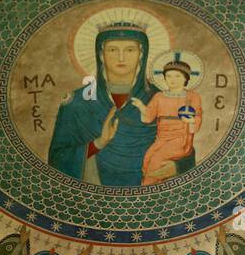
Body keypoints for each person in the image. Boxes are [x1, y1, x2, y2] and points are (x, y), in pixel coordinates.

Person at [48, 25, 195, 187]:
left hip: (151, 197)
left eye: (130, 50)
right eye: (112, 50)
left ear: (141, 54)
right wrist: (98, 143)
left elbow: (184, 144)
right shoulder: (76, 102)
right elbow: (57, 159)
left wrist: (178, 167)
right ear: (101, 54)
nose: (121, 57)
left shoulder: (163, 99)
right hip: (93, 198)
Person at [133, 58, 202, 186]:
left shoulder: (192, 97)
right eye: (169, 76)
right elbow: (149, 116)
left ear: (185, 78)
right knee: (147, 159)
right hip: (162, 139)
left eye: (177, 76)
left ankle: (146, 188)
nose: (172, 79)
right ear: (164, 78)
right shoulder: (159, 96)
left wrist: (191, 120)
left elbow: (197, 117)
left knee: (156, 161)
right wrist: (141, 106)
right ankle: (152, 185)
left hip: (180, 140)